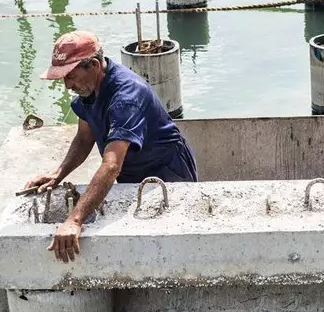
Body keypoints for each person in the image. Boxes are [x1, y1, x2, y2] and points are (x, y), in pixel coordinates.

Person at [23, 30, 198, 262]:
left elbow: (112, 165)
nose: (67, 85)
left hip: (167, 171)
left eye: (70, 76)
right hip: (133, 172)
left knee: (172, 246)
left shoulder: (126, 97)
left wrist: (74, 220)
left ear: (94, 65)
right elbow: (84, 138)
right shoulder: (90, 89)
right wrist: (57, 174)